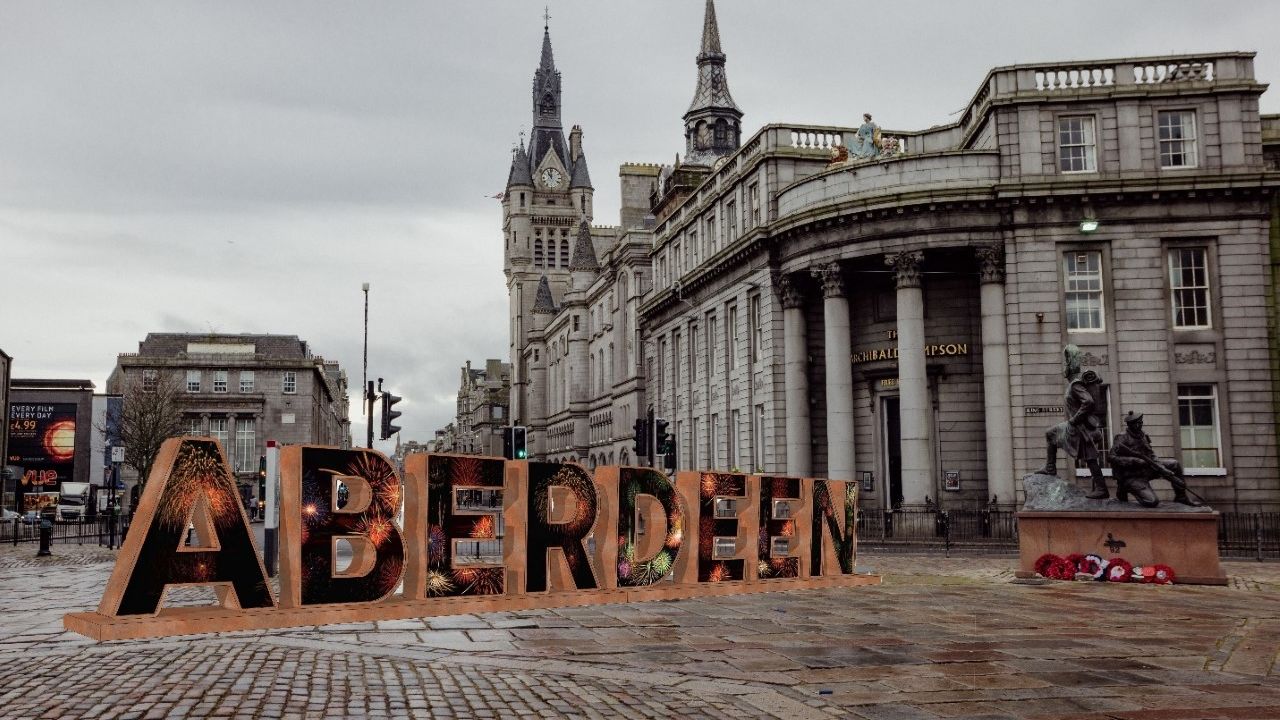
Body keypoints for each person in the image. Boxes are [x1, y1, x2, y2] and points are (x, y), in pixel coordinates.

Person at [1038, 345, 1109, 499]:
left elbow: (1088, 402)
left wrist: (1075, 419)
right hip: (1079, 427)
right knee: (1051, 434)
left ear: (1070, 365)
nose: (1064, 366)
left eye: (1066, 363)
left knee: (1091, 458)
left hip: (1081, 428)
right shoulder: (1074, 384)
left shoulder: (1075, 384)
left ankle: (1102, 489)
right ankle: (1050, 468)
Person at [1110, 411, 1204, 507]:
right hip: (1132, 476)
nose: (1140, 425)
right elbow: (1112, 457)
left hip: (1147, 469)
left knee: (1174, 464)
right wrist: (1134, 461)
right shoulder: (1121, 438)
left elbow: (1151, 454)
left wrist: (1161, 468)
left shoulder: (1143, 436)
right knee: (1152, 501)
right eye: (1137, 423)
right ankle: (1123, 487)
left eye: (1141, 422)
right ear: (1130, 424)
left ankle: (1181, 497)